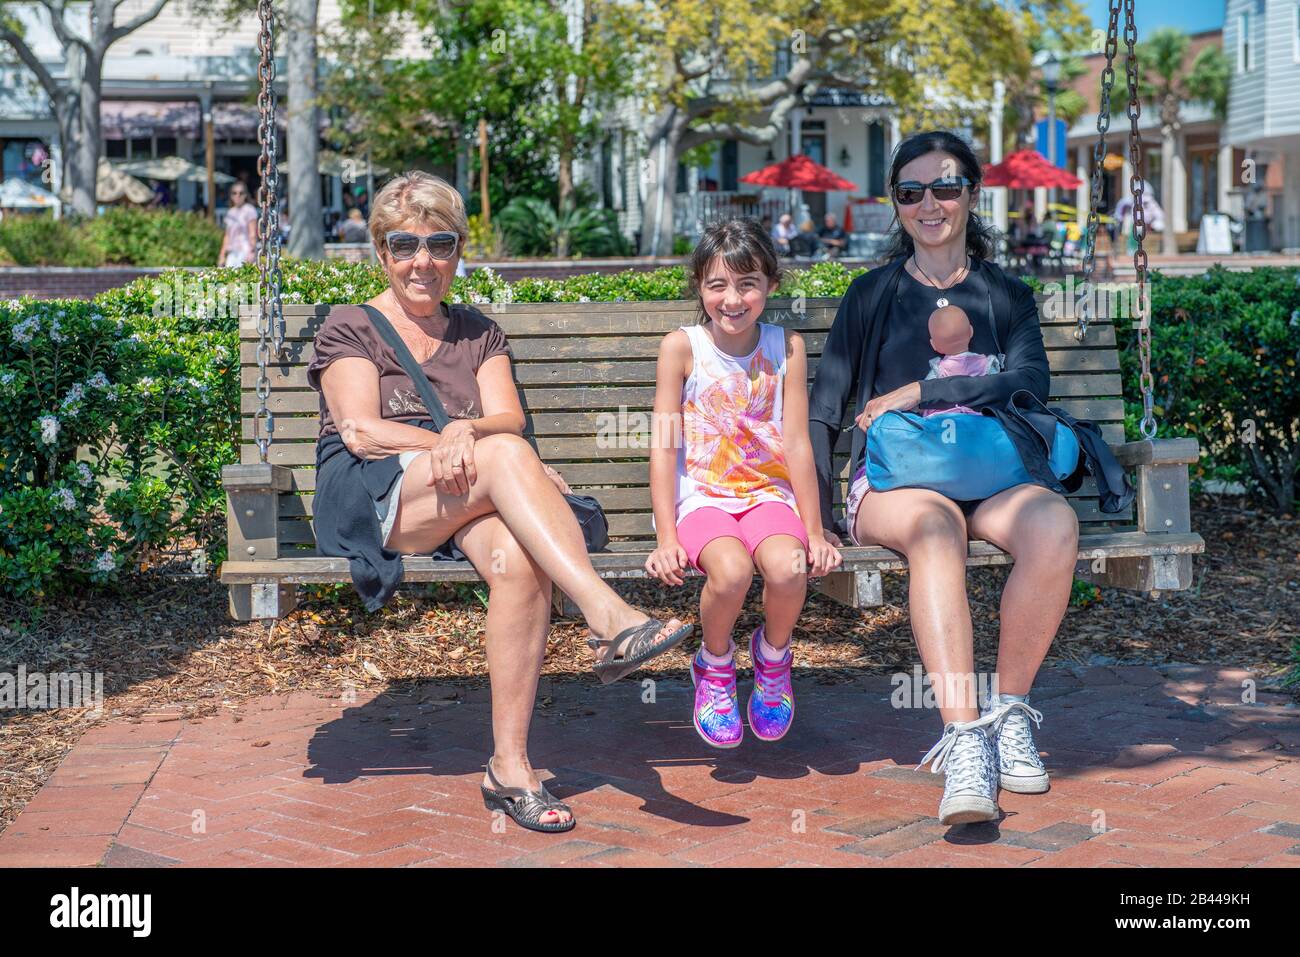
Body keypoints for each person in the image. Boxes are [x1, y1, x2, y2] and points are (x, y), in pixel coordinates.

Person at [306, 171, 692, 833]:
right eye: (404, 245)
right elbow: (361, 430)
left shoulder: (478, 333)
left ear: (459, 252)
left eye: (440, 244)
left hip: (464, 494)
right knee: (507, 457)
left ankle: (510, 767)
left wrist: (469, 435)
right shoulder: (352, 326)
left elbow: (507, 417)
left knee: (517, 559)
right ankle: (607, 616)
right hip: (378, 494)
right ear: (381, 253)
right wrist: (453, 436)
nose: (422, 260)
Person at [808, 130, 1079, 826]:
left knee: (1054, 523)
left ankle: (1009, 715)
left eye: (946, 186)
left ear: (972, 195)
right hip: (896, 486)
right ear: (896, 203)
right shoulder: (871, 295)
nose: (929, 202)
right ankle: (964, 743)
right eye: (911, 190)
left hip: (990, 476)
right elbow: (823, 411)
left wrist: (919, 394)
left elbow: (1030, 384)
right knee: (936, 527)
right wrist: (815, 517)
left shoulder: (1005, 295)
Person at [645, 218, 841, 748]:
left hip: (766, 496)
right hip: (701, 501)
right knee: (729, 573)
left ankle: (772, 658)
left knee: (789, 565)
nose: (733, 298)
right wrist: (665, 538)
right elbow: (663, 445)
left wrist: (816, 530)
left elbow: (798, 442)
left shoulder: (787, 348)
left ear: (771, 286)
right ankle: (713, 665)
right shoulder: (681, 348)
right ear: (700, 288)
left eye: (748, 283)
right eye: (718, 285)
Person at [919, 304, 1003, 419]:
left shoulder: (939, 368)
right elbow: (997, 389)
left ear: (934, 345)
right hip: (979, 417)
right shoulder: (985, 364)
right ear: (971, 331)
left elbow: (925, 394)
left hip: (944, 421)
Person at [218, 182, 258, 267]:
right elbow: (227, 236)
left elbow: (253, 233)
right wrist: (222, 254)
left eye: (241, 193)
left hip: (246, 250)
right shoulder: (230, 212)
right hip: (232, 252)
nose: (238, 195)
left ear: (245, 195)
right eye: (234, 193)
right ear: (231, 195)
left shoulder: (249, 210)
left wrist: (252, 251)